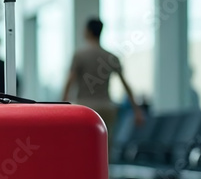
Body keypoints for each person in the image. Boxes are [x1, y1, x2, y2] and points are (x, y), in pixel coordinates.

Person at [61, 18, 145, 146]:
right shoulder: (111, 57)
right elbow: (125, 84)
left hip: (85, 108)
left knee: (83, 146)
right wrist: (136, 110)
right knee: (105, 147)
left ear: (88, 32)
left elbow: (69, 81)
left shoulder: (80, 55)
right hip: (106, 107)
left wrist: (62, 105)